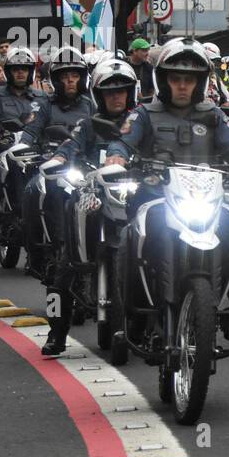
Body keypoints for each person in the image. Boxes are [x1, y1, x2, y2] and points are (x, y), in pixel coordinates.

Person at [104, 37, 229, 405]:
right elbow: (124, 143)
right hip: (157, 203)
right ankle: (132, 317)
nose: (183, 85)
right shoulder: (145, 114)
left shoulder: (213, 115)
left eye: (190, 79)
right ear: (164, 79)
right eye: (176, 77)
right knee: (131, 238)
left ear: (200, 82)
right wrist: (116, 159)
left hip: (203, 204)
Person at [37, 55, 139, 356]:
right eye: (110, 91)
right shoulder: (88, 125)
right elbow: (70, 146)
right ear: (99, 95)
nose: (117, 96)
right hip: (93, 196)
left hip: (133, 200)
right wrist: (56, 160)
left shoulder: (143, 121)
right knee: (67, 265)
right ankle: (57, 332)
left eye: (122, 90)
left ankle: (158, 326)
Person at [18, 46, 94, 275]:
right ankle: (34, 253)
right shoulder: (44, 105)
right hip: (50, 165)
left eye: (75, 76)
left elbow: (102, 134)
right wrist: (24, 146)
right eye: (65, 76)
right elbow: (31, 132)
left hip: (82, 167)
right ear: (56, 80)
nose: (70, 81)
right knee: (32, 191)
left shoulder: (91, 105)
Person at [0, 47, 46, 272]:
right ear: (8, 72)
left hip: (34, 157)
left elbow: (50, 123)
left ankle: (39, 255)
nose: (20, 73)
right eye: (16, 69)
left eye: (24, 69)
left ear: (31, 71)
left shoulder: (42, 98)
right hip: (1, 154)